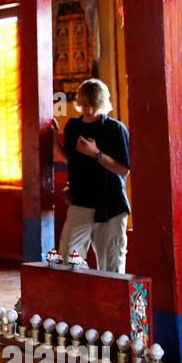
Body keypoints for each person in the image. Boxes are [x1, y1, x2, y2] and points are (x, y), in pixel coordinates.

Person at [52, 79, 131, 273]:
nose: (88, 110)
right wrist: (54, 142)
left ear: (102, 103)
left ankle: (109, 301)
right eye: (85, 104)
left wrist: (96, 153)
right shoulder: (72, 126)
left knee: (111, 265)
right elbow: (71, 159)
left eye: (92, 105)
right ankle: (83, 296)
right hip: (81, 201)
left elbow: (123, 170)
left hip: (111, 204)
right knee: (68, 257)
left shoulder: (115, 129)